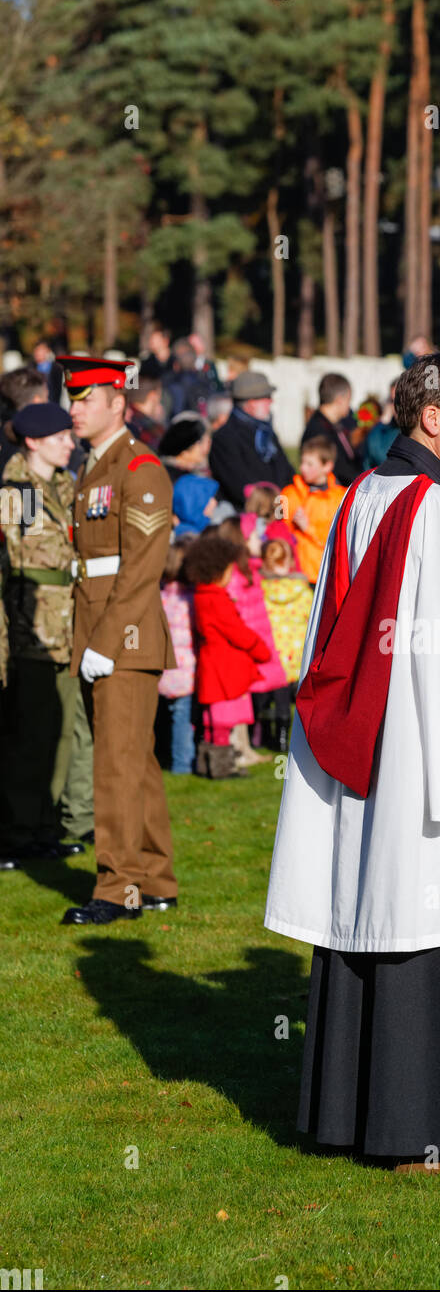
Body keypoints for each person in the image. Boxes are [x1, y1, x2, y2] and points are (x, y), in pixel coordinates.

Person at [264, 352, 440, 1170]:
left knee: (366, 904)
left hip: (369, 747)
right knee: (437, 909)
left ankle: (351, 1119)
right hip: (423, 753)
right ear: (432, 419)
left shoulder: (358, 496)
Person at [57, 355, 177, 926]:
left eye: (86, 400)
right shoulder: (97, 465)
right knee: (135, 762)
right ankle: (153, 878)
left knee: (115, 764)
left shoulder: (139, 468)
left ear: (117, 405)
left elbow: (141, 567)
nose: (75, 410)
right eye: (73, 400)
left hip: (121, 636)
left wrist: (105, 641)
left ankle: (117, 886)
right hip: (100, 629)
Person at [0, 403, 87, 862]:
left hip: (66, 626)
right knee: (29, 734)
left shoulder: (63, 484)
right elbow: (15, 562)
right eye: (60, 438)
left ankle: (43, 826)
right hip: (31, 628)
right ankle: (17, 832)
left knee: (59, 732)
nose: (70, 444)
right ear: (33, 441)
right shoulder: (18, 489)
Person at [184, 534, 270, 780]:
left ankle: (207, 763)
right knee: (223, 719)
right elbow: (236, 632)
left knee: (213, 720)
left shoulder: (202, 596)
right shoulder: (215, 600)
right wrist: (260, 650)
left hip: (213, 664)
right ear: (217, 571)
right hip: (223, 668)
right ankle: (222, 767)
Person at [213, 517, 288, 762]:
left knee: (244, 696)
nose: (261, 540)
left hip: (254, 641)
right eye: (255, 537)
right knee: (236, 696)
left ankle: (244, 748)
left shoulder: (250, 571)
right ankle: (237, 749)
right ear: (242, 541)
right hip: (243, 644)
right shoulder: (233, 575)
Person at [209, 371, 291, 510]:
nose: (271, 401)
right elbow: (239, 487)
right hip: (249, 518)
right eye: (267, 397)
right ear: (251, 402)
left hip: (276, 513)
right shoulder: (225, 438)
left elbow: (287, 473)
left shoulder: (266, 433)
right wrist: (273, 510)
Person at [271, 436, 345, 584]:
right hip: (293, 575)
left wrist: (307, 527)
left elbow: (340, 539)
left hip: (324, 576)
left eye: (310, 464)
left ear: (327, 466)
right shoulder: (286, 494)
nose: (303, 468)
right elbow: (275, 530)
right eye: (302, 462)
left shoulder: (340, 497)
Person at [158, 538, 197, 775]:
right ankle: (182, 764)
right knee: (183, 720)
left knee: (165, 717)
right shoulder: (189, 600)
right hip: (185, 672)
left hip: (163, 668)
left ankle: (163, 756)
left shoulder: (159, 598)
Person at [260, 538, 313, 704]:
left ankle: (270, 727)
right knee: (290, 707)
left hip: (270, 653)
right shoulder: (302, 590)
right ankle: (285, 728)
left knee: (269, 706)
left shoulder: (260, 590)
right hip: (296, 655)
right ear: (289, 561)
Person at [302, 373, 360, 488]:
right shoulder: (317, 431)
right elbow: (340, 469)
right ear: (340, 400)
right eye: (348, 400)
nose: (349, 406)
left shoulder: (336, 426)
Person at [0, 368, 49, 476]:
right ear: (37, 402)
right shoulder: (30, 444)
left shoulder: (4, 431)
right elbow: (29, 491)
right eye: (46, 398)